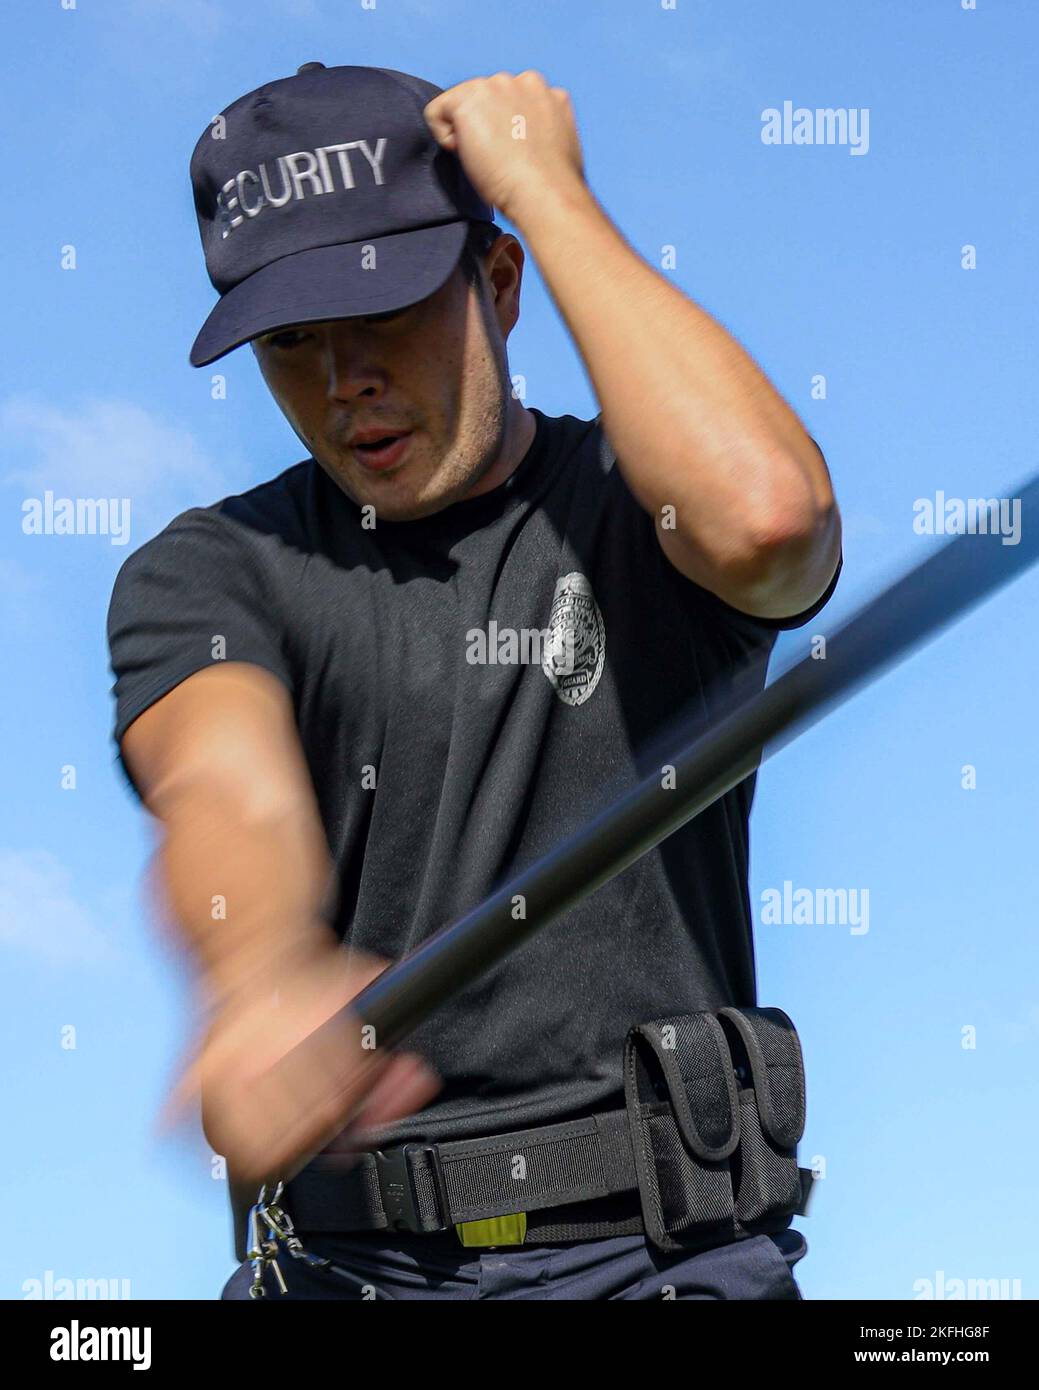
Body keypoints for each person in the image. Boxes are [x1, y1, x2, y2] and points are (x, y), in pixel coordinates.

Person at [106, 62, 843, 1301]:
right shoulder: (210, 569)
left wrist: (549, 192)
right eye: (290, 340)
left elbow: (770, 522)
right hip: (344, 1269)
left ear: (498, 284)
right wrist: (259, 970)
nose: (342, 378)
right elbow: (223, 785)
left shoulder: (646, 507)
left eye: (381, 309)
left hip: (665, 1262)